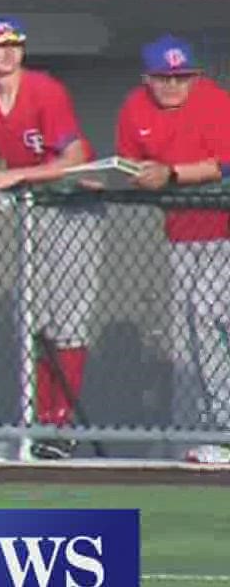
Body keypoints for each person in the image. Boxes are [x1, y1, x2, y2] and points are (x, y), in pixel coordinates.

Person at [0, 16, 98, 459]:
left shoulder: (45, 89)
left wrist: (17, 176)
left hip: (71, 209)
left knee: (68, 320)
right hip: (32, 209)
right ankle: (38, 420)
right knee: (37, 319)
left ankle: (60, 424)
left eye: (13, 44)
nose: (6, 52)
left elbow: (75, 158)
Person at [113, 35, 230, 466]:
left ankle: (221, 425)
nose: (175, 86)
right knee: (194, 332)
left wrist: (172, 173)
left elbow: (226, 164)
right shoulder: (135, 107)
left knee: (205, 312)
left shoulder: (215, 101)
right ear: (148, 79)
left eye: (183, 77)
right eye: (166, 78)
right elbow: (129, 162)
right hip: (181, 234)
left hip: (225, 231)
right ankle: (210, 431)